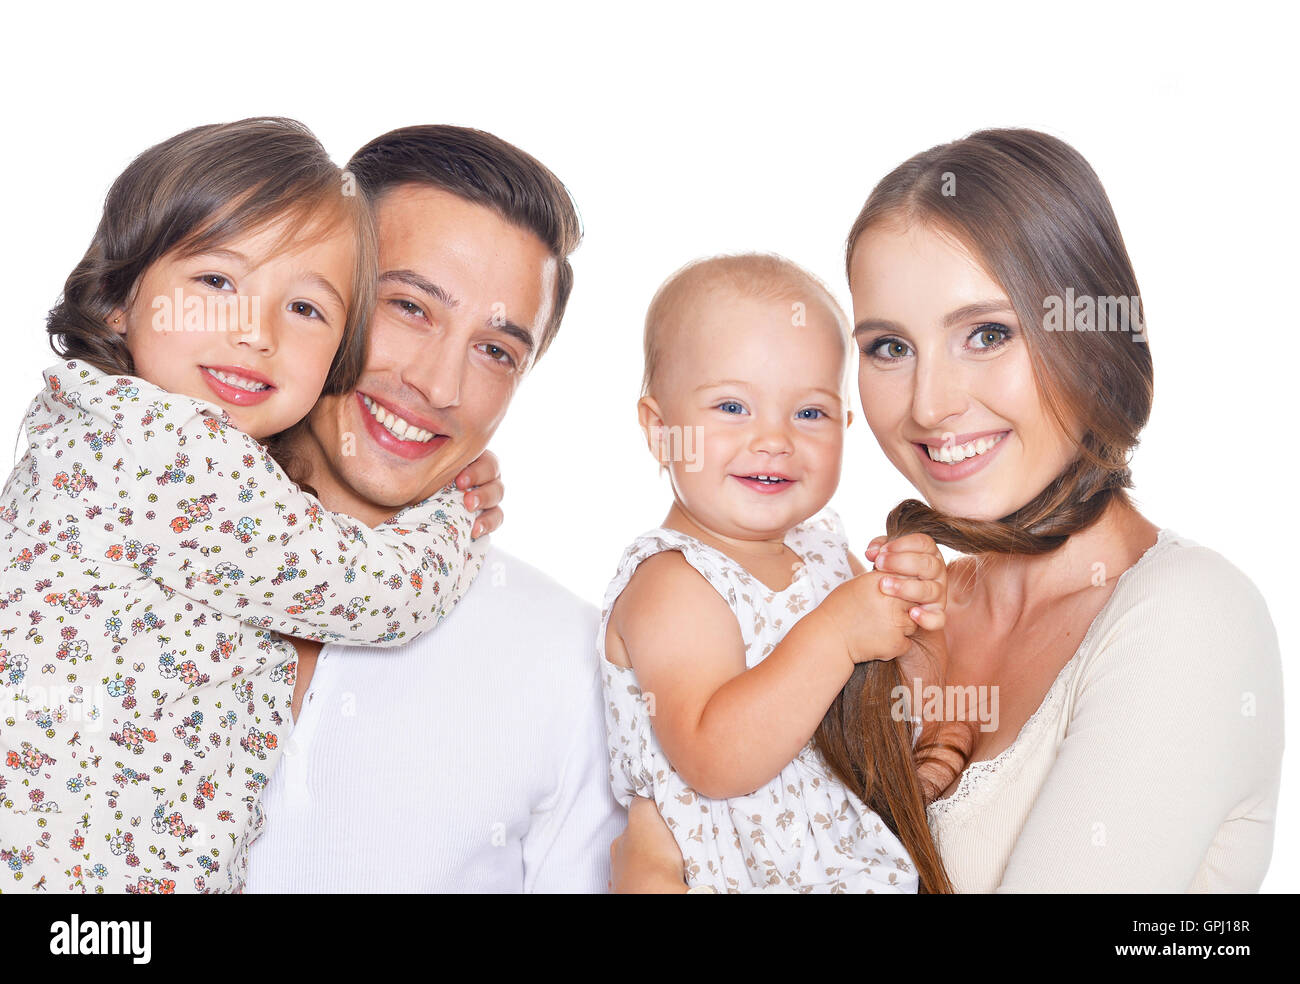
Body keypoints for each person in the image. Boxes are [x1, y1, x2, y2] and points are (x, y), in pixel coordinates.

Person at [611, 128, 1284, 893]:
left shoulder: (1186, 618)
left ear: (1090, 336)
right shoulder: (890, 610)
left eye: (987, 334)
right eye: (890, 348)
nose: (929, 406)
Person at [0, 118, 491, 894]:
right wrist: (456, 514)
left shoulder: (85, 422)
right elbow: (380, 592)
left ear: (339, 355)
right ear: (121, 299)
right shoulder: (172, 451)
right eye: (217, 282)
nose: (253, 331)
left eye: (305, 309)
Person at [247, 125, 623, 893]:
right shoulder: (97, 549)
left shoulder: (573, 661)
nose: (440, 385)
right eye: (411, 307)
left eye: (496, 350)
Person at [600, 253, 953, 893]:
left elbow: (905, 710)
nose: (774, 439)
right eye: (732, 407)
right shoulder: (673, 582)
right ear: (660, 431)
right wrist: (837, 633)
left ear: (846, 426)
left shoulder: (824, 554)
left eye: (810, 413)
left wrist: (914, 607)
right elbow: (714, 756)